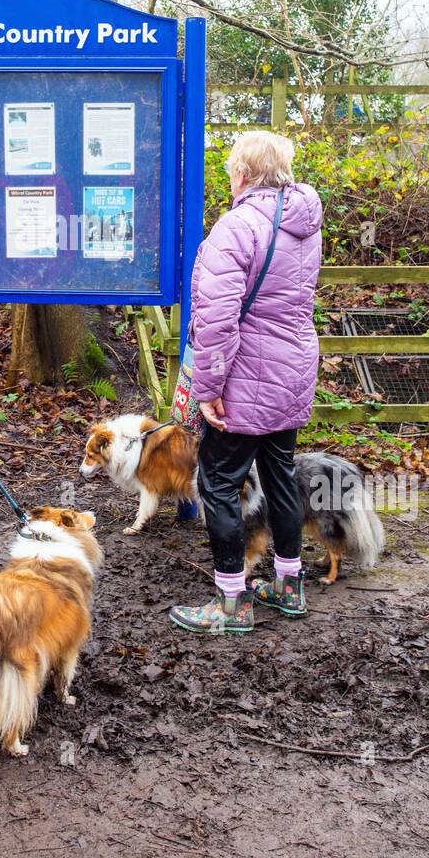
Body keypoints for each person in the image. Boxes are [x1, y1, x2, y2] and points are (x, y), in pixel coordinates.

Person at [169, 130, 322, 635]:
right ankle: (288, 584)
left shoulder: (236, 228)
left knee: (217, 483)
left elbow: (216, 320)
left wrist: (208, 388)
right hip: (292, 373)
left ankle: (231, 602)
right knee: (281, 476)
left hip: (245, 378)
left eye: (232, 167)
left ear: (243, 173)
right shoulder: (306, 224)